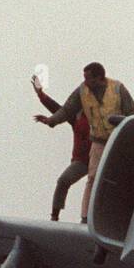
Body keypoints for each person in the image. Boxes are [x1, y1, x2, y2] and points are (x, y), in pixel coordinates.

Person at [33, 63, 134, 222]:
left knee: (121, 180)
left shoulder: (117, 88)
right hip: (93, 150)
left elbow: (133, 114)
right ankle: (80, 217)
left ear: (99, 78)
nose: (85, 82)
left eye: (88, 78)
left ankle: (121, 218)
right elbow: (65, 109)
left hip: (117, 143)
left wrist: (132, 135)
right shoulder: (80, 103)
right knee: (90, 178)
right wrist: (51, 119)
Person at [31, 75, 91, 221]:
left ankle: (87, 218)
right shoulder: (76, 116)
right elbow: (59, 110)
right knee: (63, 181)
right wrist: (41, 94)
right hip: (81, 161)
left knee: (96, 188)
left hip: (99, 159)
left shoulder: (100, 116)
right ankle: (54, 216)